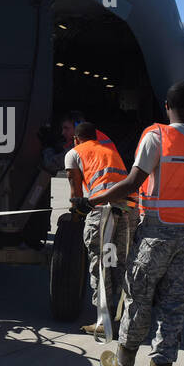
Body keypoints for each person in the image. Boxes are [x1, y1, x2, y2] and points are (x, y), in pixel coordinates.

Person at [95, 83, 184, 366]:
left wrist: (92, 200)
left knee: (139, 299)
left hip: (156, 232)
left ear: (167, 106)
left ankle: (123, 365)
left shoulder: (158, 137)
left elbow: (133, 182)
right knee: (174, 308)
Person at [66, 121, 137, 325]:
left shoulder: (75, 152)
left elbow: (75, 189)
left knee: (101, 263)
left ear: (76, 139)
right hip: (128, 210)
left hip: (103, 212)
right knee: (120, 262)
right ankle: (123, 318)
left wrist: (76, 214)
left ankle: (104, 321)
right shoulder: (108, 150)